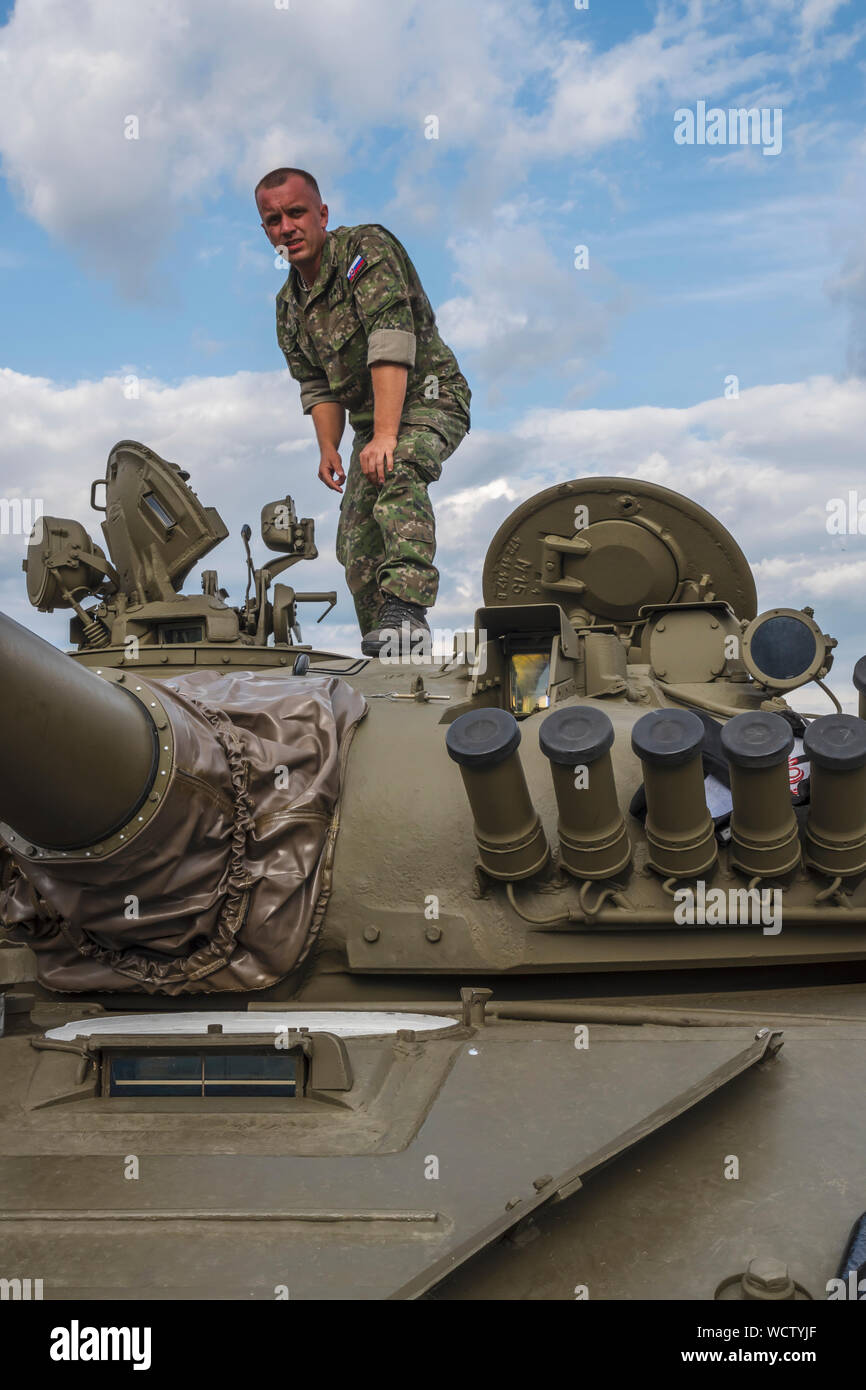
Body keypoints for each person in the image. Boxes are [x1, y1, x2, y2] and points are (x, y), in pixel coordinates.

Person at [256, 167, 471, 655]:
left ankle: (408, 612)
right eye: (273, 220)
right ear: (265, 230)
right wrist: (329, 447)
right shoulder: (289, 307)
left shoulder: (365, 251)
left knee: (396, 473)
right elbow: (317, 386)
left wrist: (387, 437)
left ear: (322, 214)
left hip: (429, 396)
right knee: (355, 541)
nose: (286, 227)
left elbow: (390, 342)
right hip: (371, 427)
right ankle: (391, 653)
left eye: (296, 213)